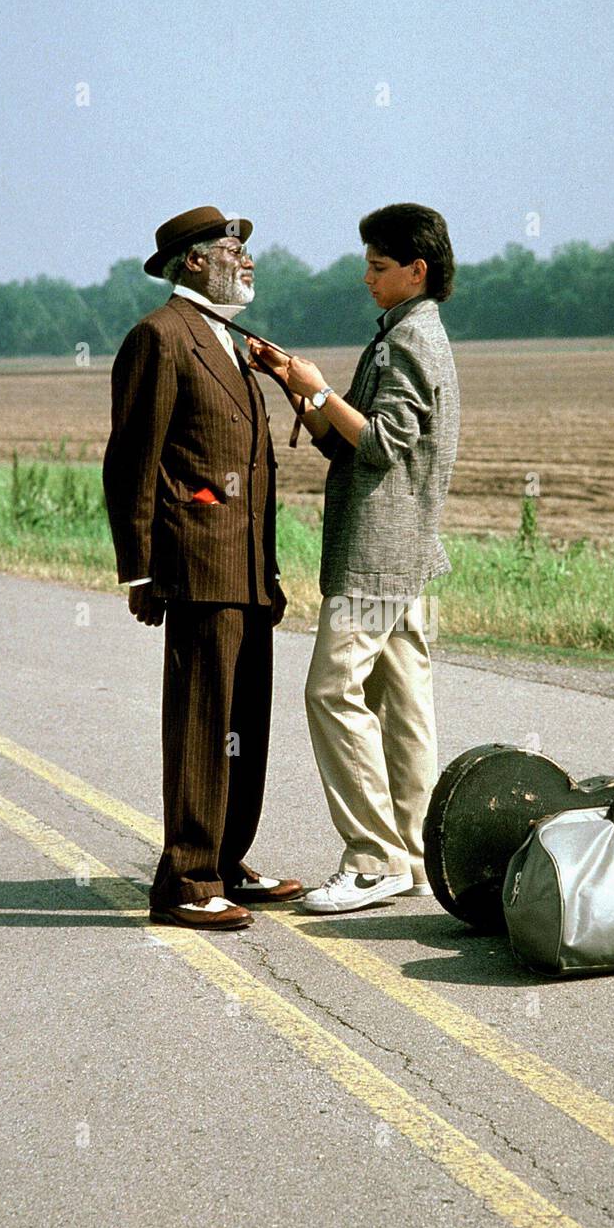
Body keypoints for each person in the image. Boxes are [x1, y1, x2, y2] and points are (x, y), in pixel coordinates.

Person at [248, 203, 460, 913]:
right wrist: (295, 387)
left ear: (415, 270)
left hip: (378, 557)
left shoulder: (411, 343)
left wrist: (319, 388)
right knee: (402, 707)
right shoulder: (406, 333)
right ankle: (422, 858)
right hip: (406, 557)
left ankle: (372, 861)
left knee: (330, 692)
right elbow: (347, 440)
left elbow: (379, 445)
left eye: (377, 266)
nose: (365, 277)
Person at [103, 205, 302, 931]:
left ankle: (224, 860)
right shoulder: (159, 338)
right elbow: (133, 459)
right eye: (232, 249)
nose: (246, 260)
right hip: (195, 565)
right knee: (201, 722)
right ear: (193, 260)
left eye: (246, 250)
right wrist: (140, 569)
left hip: (248, 569)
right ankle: (185, 880)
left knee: (243, 722)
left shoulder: (231, 339)